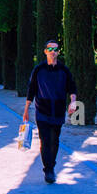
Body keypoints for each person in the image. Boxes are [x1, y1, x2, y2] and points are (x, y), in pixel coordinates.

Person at [23, 40, 78, 184]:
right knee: (45, 140)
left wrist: (73, 102)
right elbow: (31, 89)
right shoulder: (39, 69)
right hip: (42, 110)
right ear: (45, 51)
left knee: (55, 140)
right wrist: (26, 109)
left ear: (58, 52)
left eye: (55, 49)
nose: (53, 51)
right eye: (50, 49)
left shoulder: (64, 70)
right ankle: (48, 169)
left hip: (58, 110)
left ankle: (51, 165)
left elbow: (72, 87)